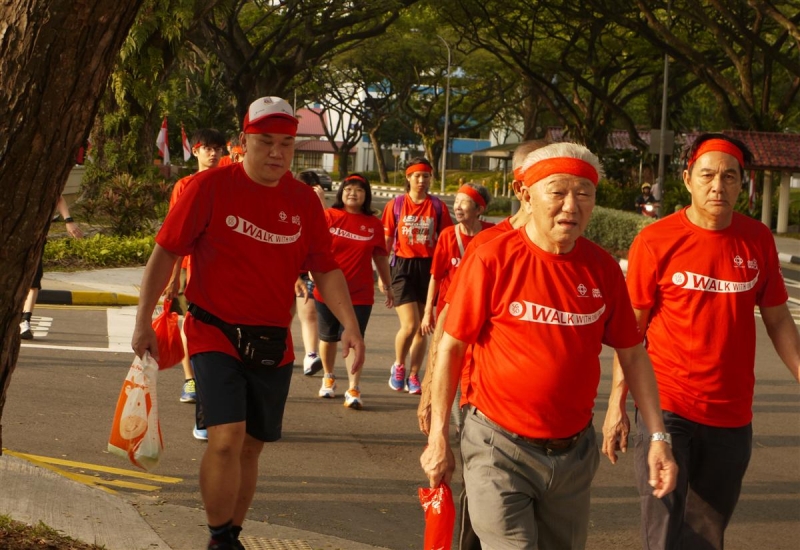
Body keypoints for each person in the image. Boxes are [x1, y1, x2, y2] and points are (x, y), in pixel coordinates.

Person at [131, 96, 365, 550]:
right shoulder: (209, 188)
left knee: (253, 446)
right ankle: (218, 538)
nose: (277, 152)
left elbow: (326, 268)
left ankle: (232, 534)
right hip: (212, 330)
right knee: (226, 438)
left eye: (286, 143)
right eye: (265, 142)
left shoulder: (302, 201)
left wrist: (350, 325)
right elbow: (166, 251)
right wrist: (143, 319)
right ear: (243, 143)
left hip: (272, 341)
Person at [421, 142, 677, 550]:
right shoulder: (491, 257)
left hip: (573, 456)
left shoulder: (603, 269)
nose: (571, 206)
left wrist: (659, 439)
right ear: (526, 194)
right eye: (557, 192)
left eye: (584, 194)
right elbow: (451, 346)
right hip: (496, 446)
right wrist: (438, 435)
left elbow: (632, 353)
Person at [602, 133, 800, 550]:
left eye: (730, 176)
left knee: (708, 532)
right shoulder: (656, 240)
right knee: (664, 527)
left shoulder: (757, 239)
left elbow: (779, 318)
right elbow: (630, 331)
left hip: (731, 413)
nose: (718, 186)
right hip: (666, 407)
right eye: (707, 175)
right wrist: (617, 405)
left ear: (742, 184)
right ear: (688, 178)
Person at [163, 128, 227, 441]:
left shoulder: (233, 183)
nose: (212, 154)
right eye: (206, 148)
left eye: (217, 148)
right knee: (193, 326)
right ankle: (192, 380)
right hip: (191, 268)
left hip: (223, 272)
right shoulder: (185, 186)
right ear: (196, 151)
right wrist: (174, 276)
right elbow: (176, 235)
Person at [314, 173, 393, 408]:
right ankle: (328, 377)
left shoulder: (373, 224)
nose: (352, 193)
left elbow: (381, 257)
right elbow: (314, 248)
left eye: (359, 189)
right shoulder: (329, 217)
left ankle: (353, 387)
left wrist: (387, 286)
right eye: (348, 189)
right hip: (326, 291)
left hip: (360, 293)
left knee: (355, 339)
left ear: (366, 195)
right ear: (341, 193)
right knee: (328, 339)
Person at [381, 157, 452, 394]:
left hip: (429, 269)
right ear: (408, 178)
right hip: (402, 267)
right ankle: (398, 365)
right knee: (410, 325)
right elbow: (387, 240)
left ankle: (413, 375)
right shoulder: (397, 205)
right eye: (417, 176)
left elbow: (446, 240)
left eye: (426, 176)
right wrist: (383, 276)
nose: (422, 180)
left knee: (423, 326)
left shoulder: (438, 207)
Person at [421, 182, 493, 337]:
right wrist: (428, 312)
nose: (458, 207)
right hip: (449, 308)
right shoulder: (447, 235)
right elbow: (436, 276)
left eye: (464, 202)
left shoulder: (492, 234)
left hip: (478, 309)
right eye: (456, 201)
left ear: (479, 209)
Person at [20, 195, 84, 339]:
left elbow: (57, 197)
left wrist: (68, 220)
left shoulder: (41, 181)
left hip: (36, 240)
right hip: (10, 238)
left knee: (33, 282)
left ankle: (25, 321)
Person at [294, 169, 327, 376]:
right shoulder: (287, 206)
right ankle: (280, 353)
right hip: (284, 270)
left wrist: (321, 203)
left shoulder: (319, 211)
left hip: (307, 271)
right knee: (281, 318)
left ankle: (311, 355)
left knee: (309, 313)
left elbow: (327, 231)